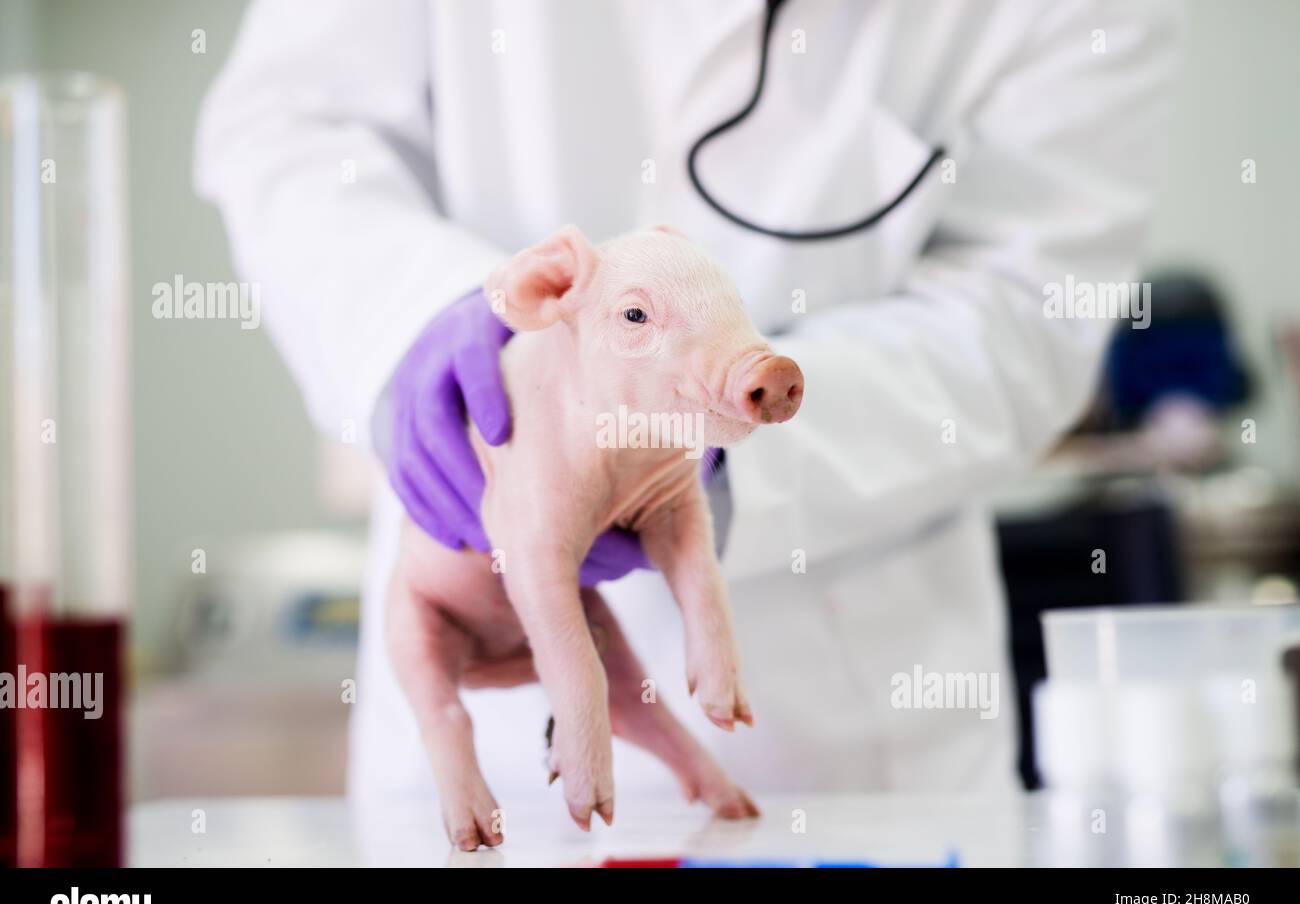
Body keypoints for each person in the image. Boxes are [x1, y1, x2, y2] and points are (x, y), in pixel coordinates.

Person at [195, 0, 1178, 836]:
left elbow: (1022, 316)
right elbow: (289, 130)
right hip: (486, 711)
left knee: (679, 647)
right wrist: (429, 330)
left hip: (852, 758)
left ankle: (699, 762)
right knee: (528, 704)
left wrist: (695, 450)